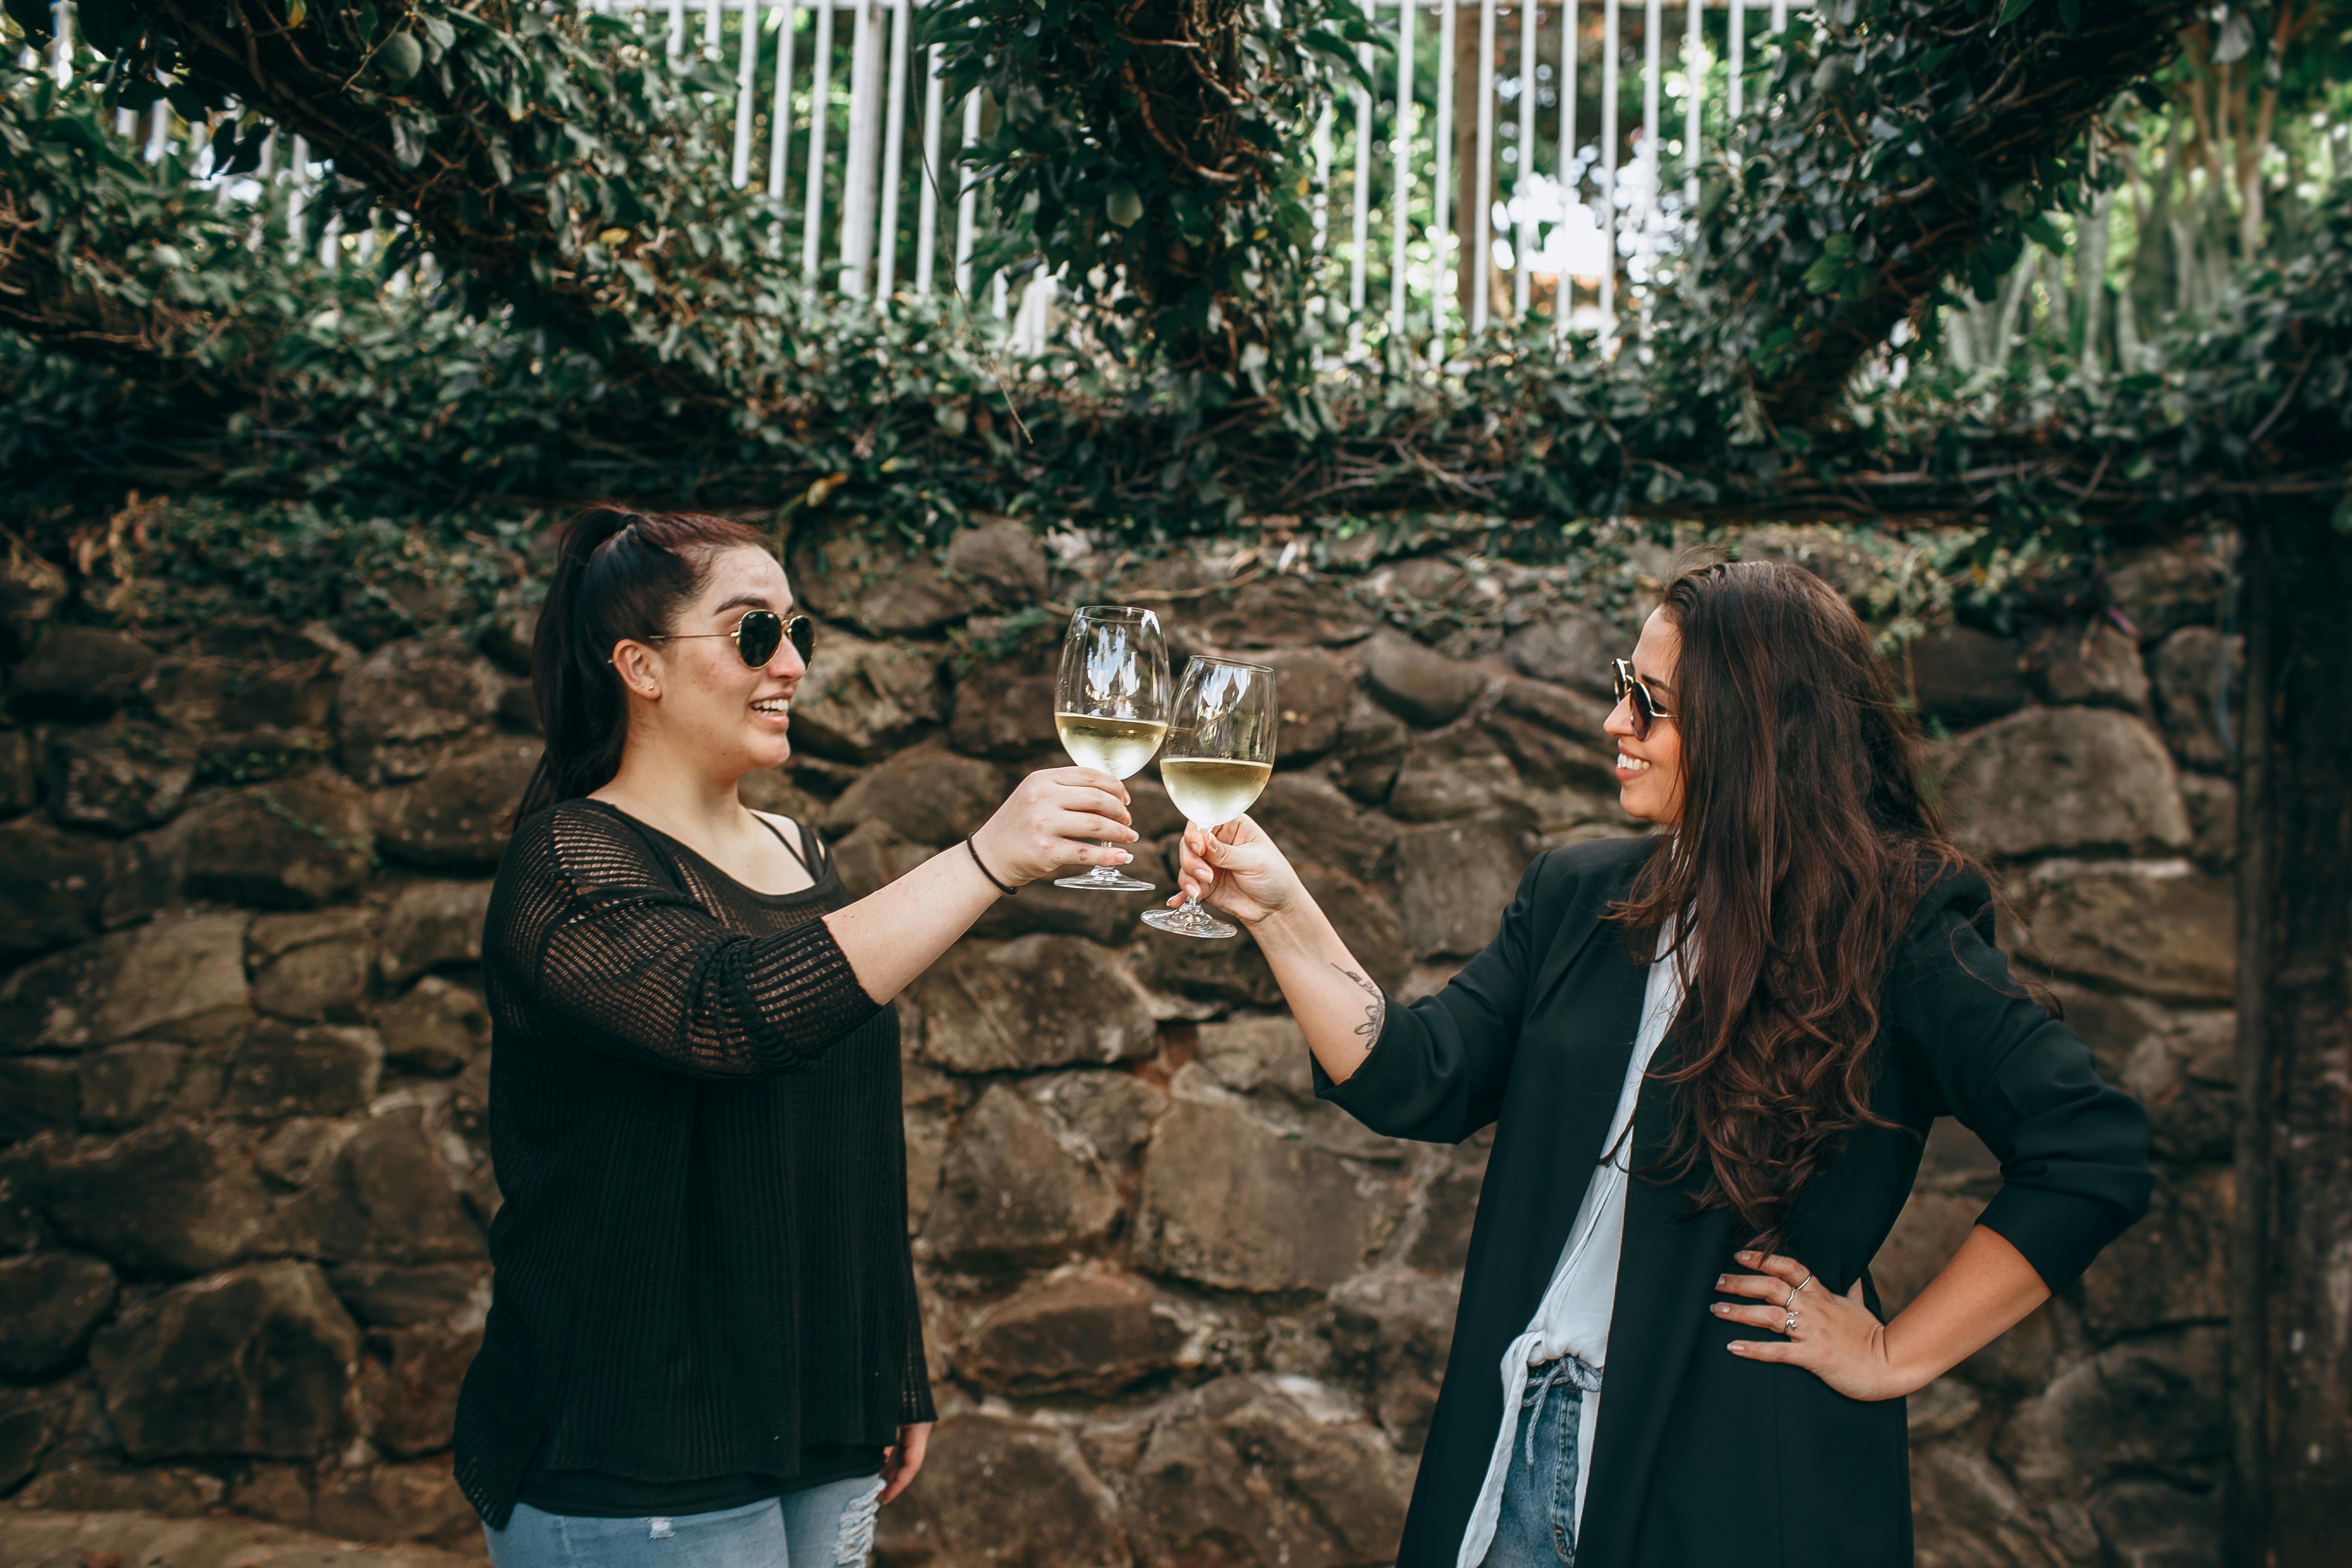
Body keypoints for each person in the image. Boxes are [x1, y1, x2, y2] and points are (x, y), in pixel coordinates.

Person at [1170, 559, 2153, 1567]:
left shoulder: (1897, 926)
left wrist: (1896, 1353)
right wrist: (1280, 913)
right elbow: (1419, 1075)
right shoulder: (1576, 896)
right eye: (1621, 687)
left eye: (1652, 703)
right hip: (1520, 1457)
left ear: (1754, 729)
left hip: (1735, 1492)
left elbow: (2091, 1150)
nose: (1616, 722)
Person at [454, 507, 1142, 1568]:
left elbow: (845, 1135)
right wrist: (987, 861)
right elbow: (727, 1013)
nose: (792, 665)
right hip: (637, 1440)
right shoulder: (568, 861)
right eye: (753, 633)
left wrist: (887, 1365)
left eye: (798, 631)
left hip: (816, 1421)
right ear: (640, 667)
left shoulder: (799, 849)